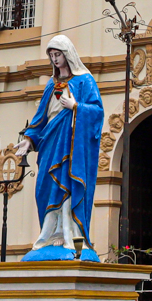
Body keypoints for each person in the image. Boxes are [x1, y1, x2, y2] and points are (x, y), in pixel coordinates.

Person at [14, 34, 105, 260]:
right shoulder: (51, 84)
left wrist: (76, 106)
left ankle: (68, 233)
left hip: (71, 143)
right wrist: (29, 140)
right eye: (52, 55)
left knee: (67, 181)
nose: (55, 59)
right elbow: (40, 117)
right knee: (46, 185)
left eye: (58, 54)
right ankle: (50, 231)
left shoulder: (84, 81)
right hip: (51, 140)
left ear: (67, 54)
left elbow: (97, 112)